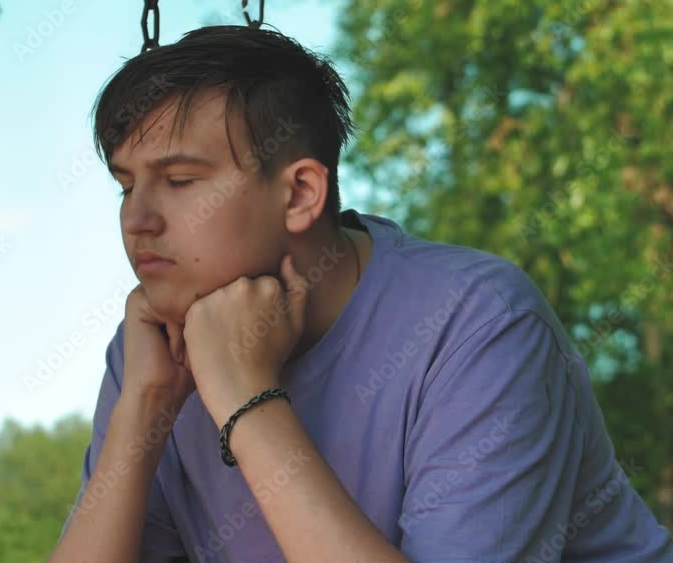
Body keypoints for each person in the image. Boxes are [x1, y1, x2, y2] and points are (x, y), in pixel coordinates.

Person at [48, 25, 673, 563]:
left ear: (299, 195)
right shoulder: (153, 350)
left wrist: (246, 397)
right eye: (126, 186)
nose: (138, 220)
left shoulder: (479, 325)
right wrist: (145, 407)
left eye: (181, 181)